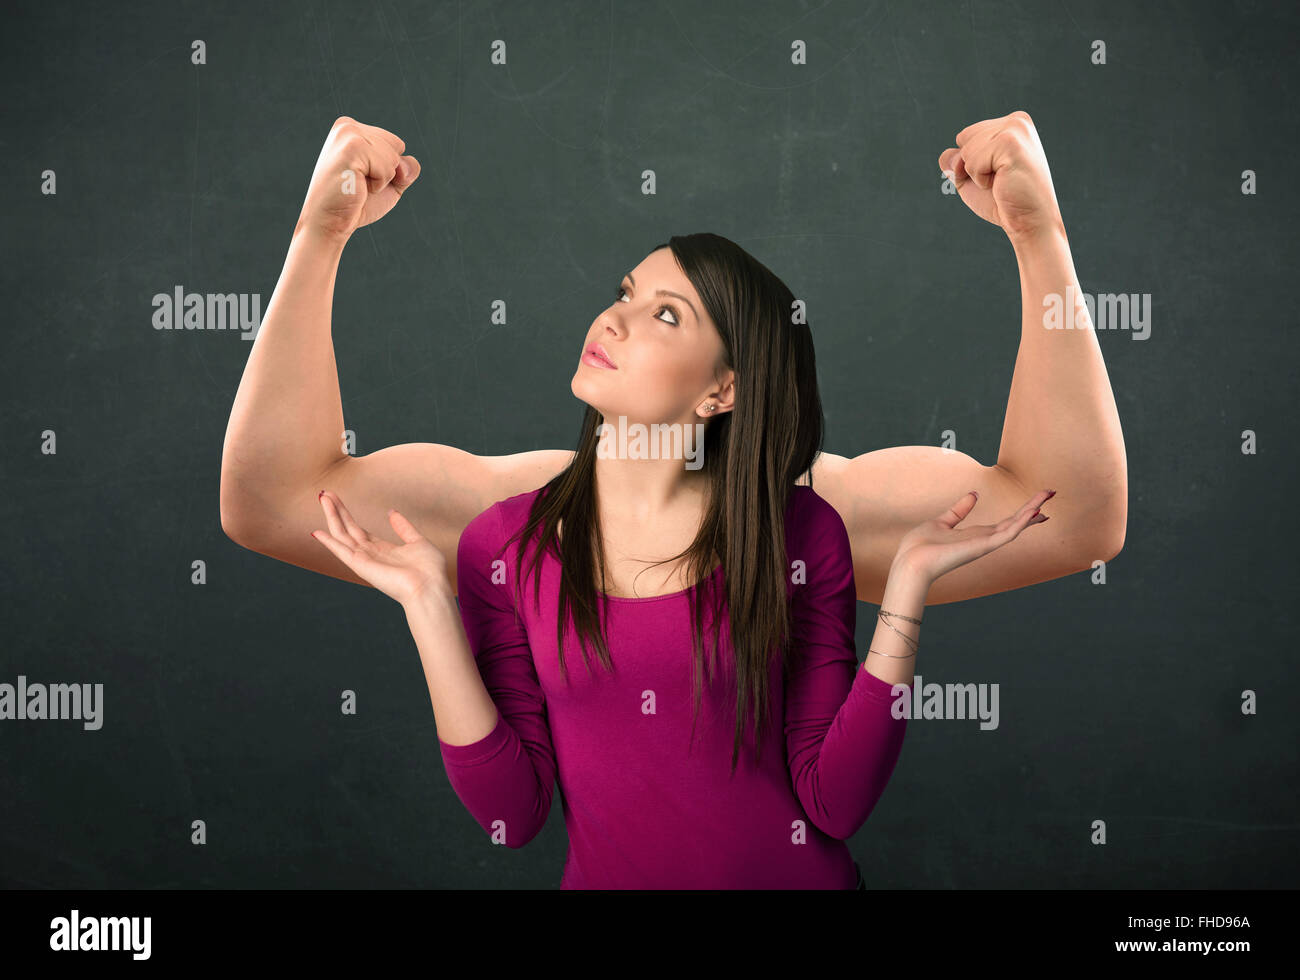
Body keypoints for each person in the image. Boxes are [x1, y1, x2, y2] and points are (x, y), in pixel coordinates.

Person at [220, 114, 1127, 888]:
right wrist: (319, 235)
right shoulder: (508, 528)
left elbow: (1077, 513)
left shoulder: (805, 523)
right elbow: (268, 497)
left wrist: (1037, 235)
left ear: (723, 390)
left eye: (666, 314)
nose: (611, 318)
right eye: (625, 293)